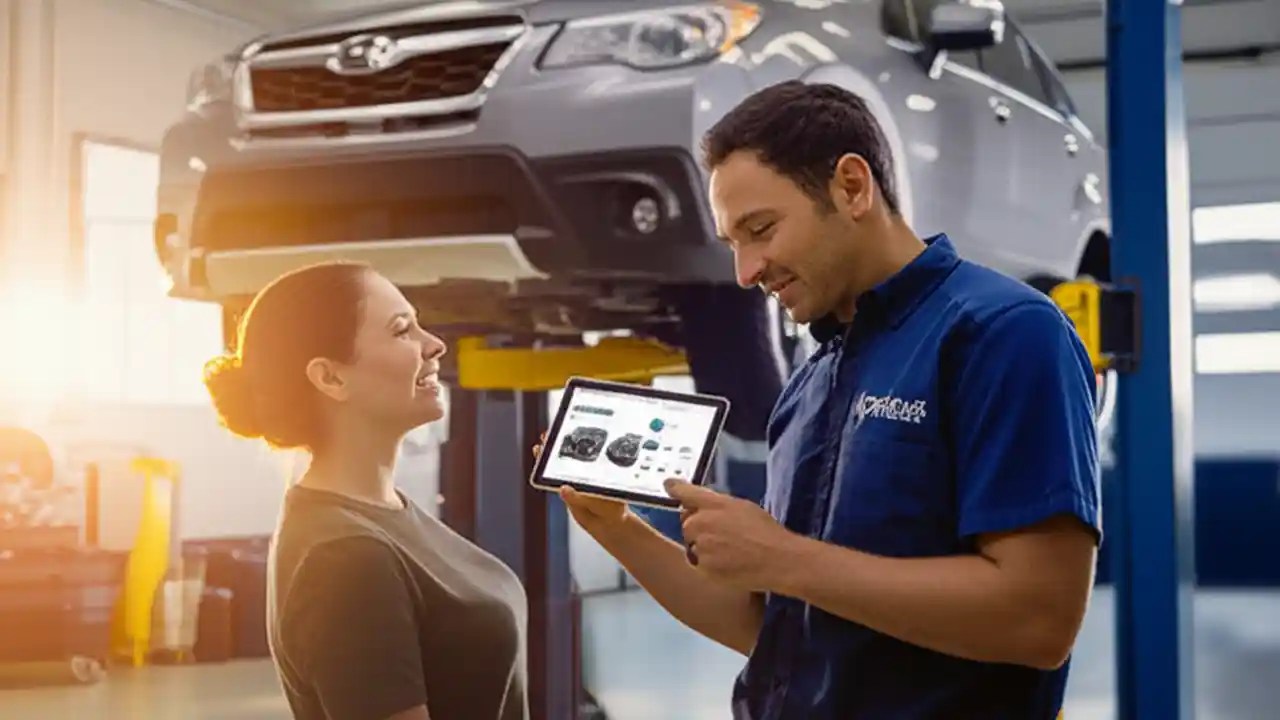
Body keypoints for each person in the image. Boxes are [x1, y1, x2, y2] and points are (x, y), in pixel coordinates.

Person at [551, 81, 1101, 719]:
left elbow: (1038, 620)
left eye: (761, 230)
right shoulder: (813, 381)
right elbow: (783, 631)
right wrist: (615, 528)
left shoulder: (1003, 333)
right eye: (733, 244)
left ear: (851, 186)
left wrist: (784, 558)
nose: (746, 272)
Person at [204, 261, 528, 720]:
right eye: (402, 331)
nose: (435, 344)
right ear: (331, 378)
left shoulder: (379, 514)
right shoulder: (345, 558)